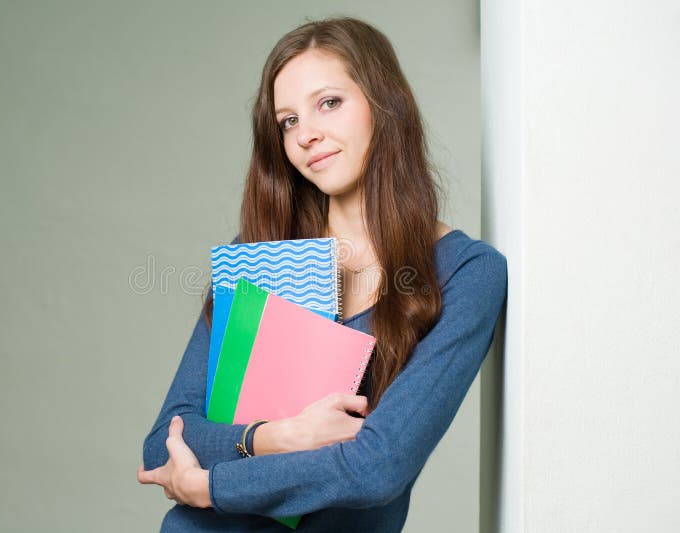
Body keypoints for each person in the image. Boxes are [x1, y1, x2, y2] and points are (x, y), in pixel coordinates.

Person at [138, 16, 507, 532]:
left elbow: (378, 467)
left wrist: (212, 486)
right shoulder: (260, 255)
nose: (306, 134)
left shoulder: (465, 272)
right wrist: (277, 436)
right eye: (287, 121)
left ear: (385, 104)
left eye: (328, 103)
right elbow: (165, 440)